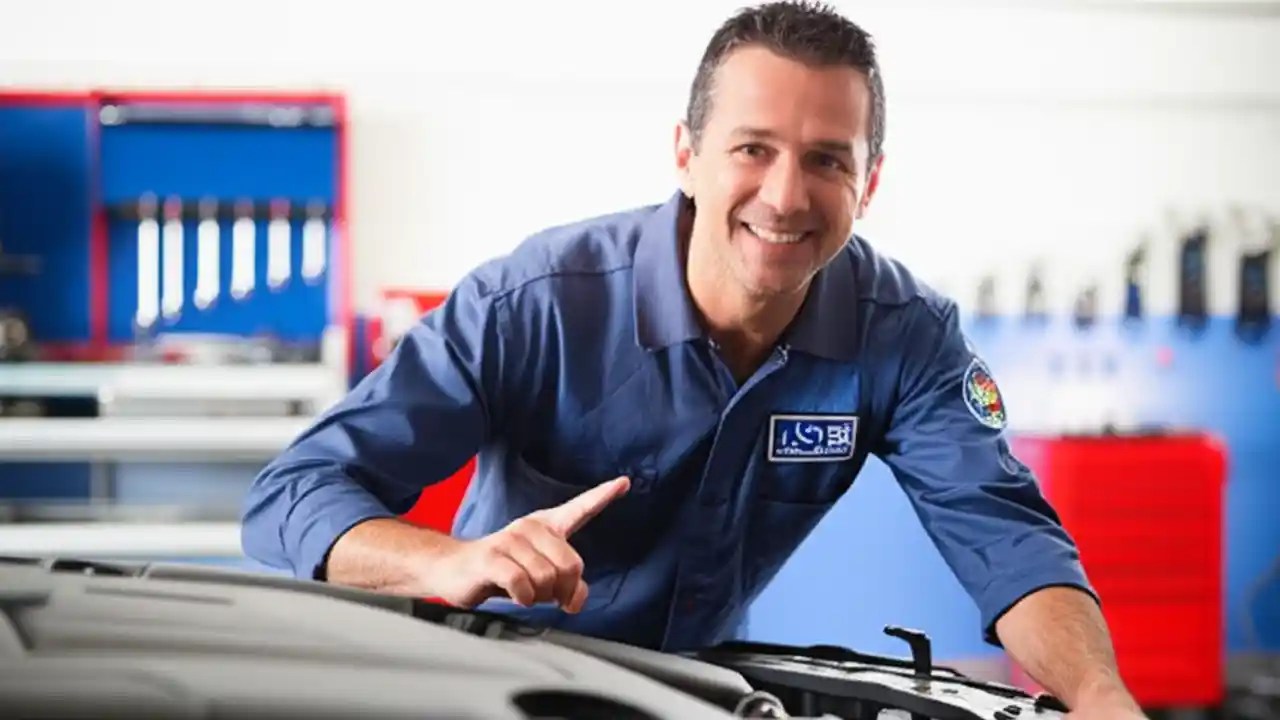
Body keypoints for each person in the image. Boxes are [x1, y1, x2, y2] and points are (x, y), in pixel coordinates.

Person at [242, 2, 1144, 716]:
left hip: (701, 693)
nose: (786, 197)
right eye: (753, 149)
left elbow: (1007, 537)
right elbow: (292, 495)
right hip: (497, 687)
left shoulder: (905, 334)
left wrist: (1098, 694)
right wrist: (443, 563)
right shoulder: (538, 303)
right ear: (687, 154)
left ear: (868, 183)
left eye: (827, 161)